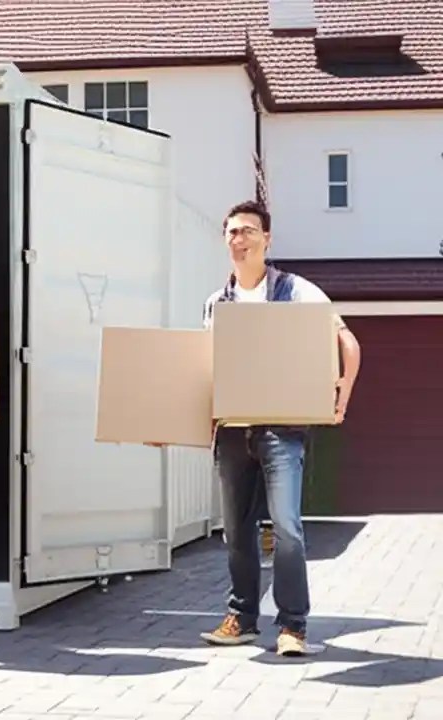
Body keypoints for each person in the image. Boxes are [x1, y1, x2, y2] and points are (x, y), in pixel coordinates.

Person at [198, 200, 361, 657]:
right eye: (232, 232)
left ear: (267, 239)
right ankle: (243, 619)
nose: (239, 239)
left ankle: (293, 626)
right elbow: (205, 373)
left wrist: (341, 395)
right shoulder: (216, 304)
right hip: (232, 433)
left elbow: (346, 341)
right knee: (236, 531)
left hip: (282, 432)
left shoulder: (298, 292)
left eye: (248, 231)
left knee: (287, 528)